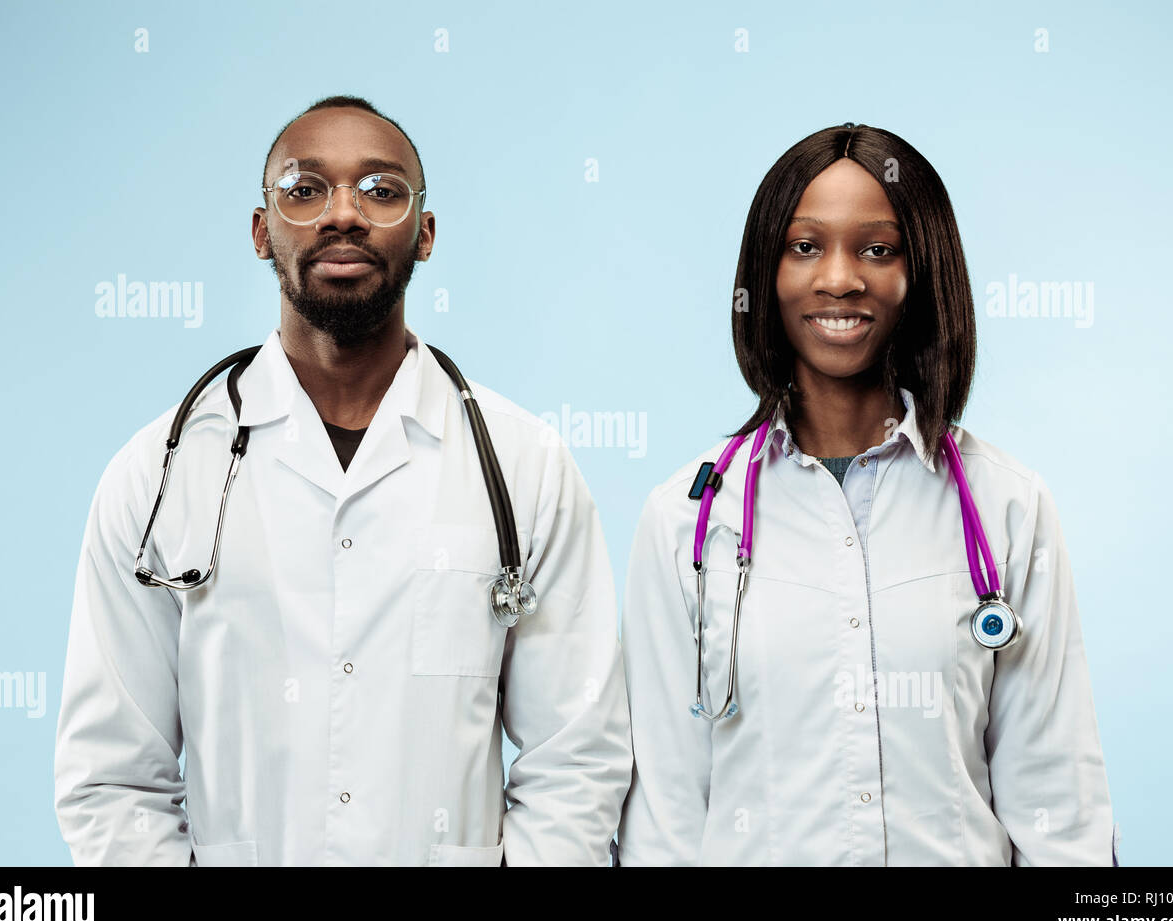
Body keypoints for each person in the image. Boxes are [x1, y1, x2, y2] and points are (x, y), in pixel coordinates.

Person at [54, 95, 631, 866]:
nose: (345, 214)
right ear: (262, 231)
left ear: (425, 234)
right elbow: (113, 781)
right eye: (304, 189)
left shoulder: (525, 465)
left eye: (382, 191)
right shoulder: (157, 475)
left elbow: (578, 760)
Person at [617, 124, 1116, 866]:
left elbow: (1056, 802)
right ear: (766, 273)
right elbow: (667, 815)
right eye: (805, 246)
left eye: (878, 249)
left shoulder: (1008, 507)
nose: (840, 279)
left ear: (923, 272)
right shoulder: (686, 520)